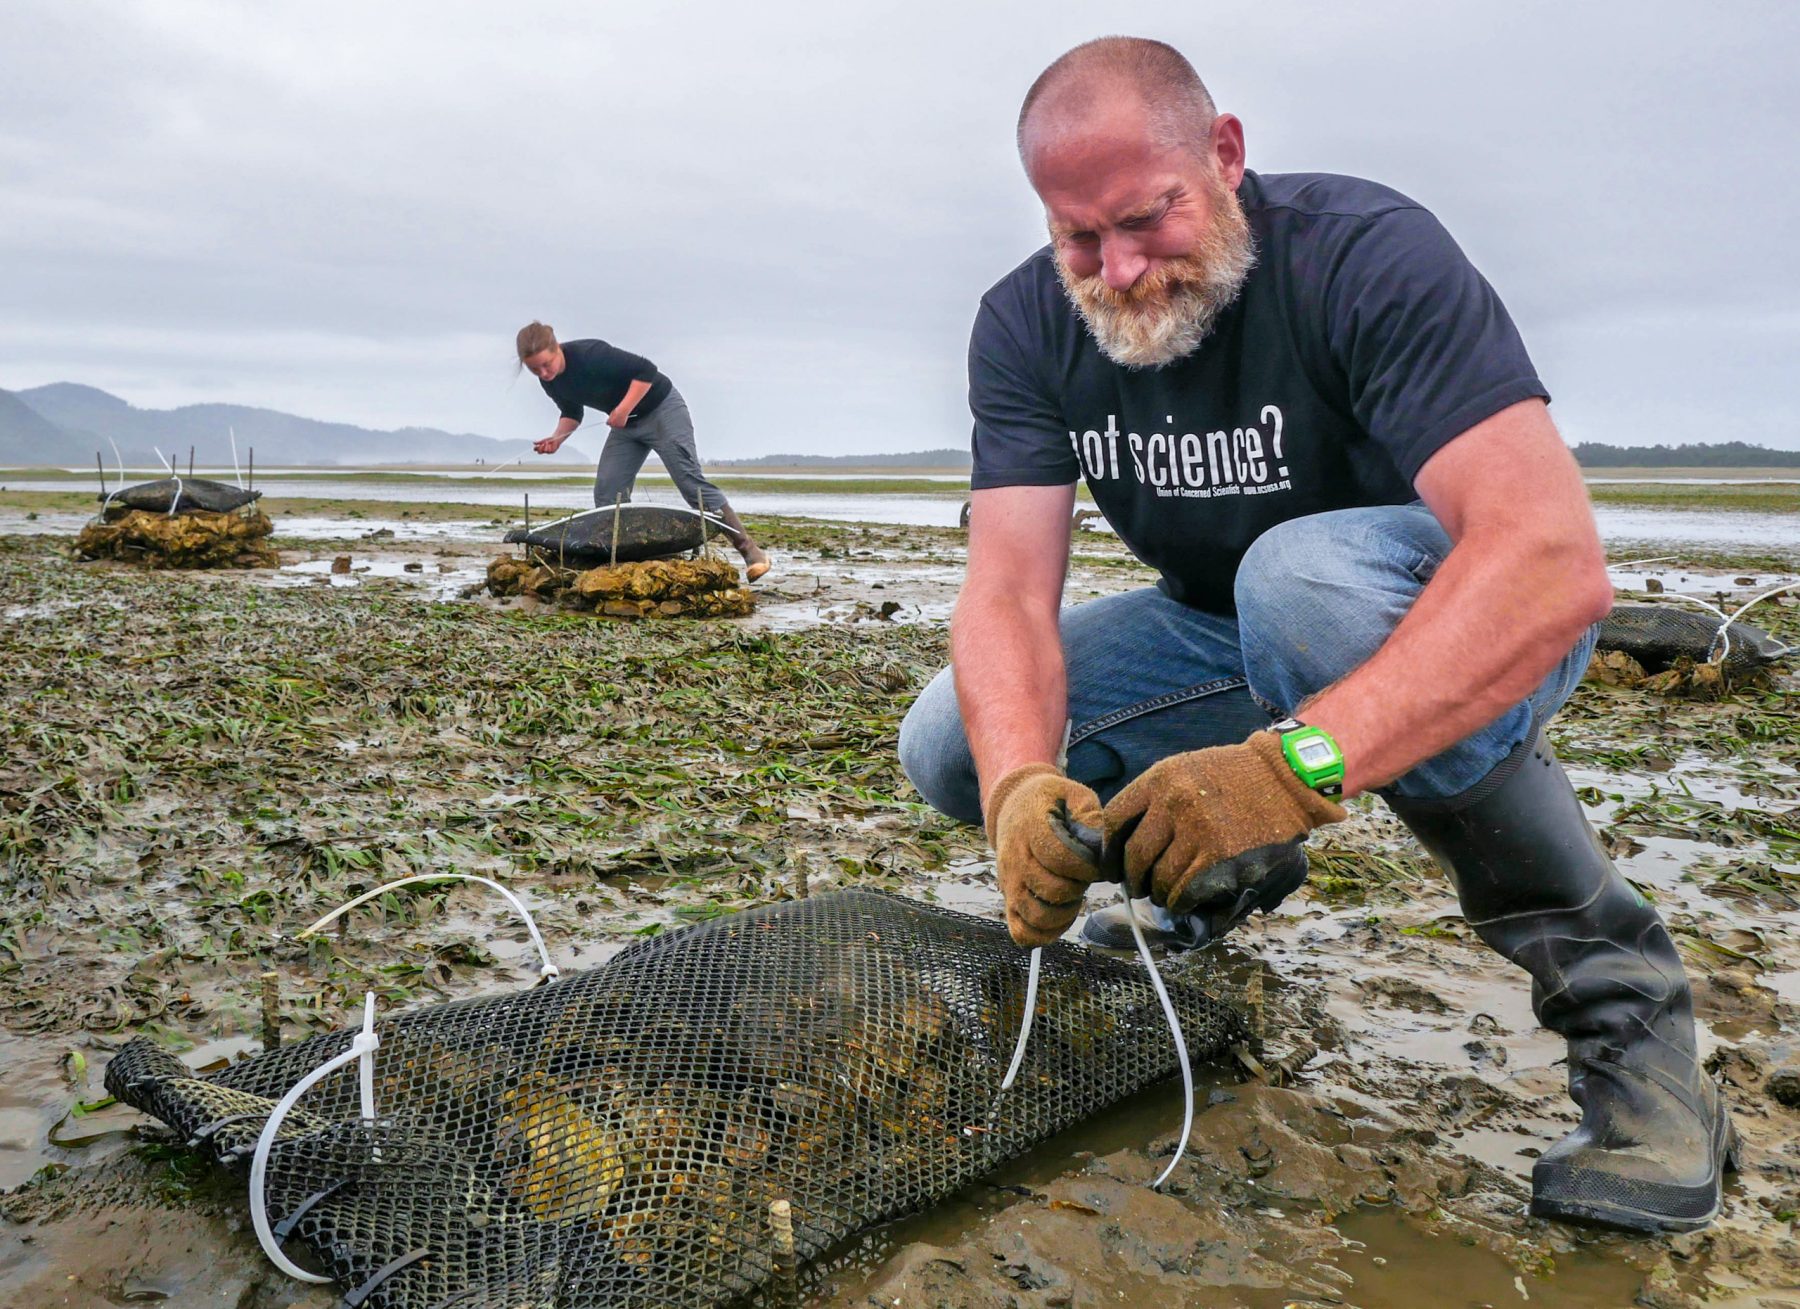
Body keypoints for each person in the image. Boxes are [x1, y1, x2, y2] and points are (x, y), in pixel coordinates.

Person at [898, 37, 1733, 1234]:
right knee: (952, 739)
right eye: (1080, 238)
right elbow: (1006, 595)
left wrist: (1294, 767)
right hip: (1222, 631)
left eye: (1146, 218)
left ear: (1225, 155)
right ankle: (1217, 868)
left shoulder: (1364, 253)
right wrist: (1022, 783)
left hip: (1456, 620)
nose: (1120, 269)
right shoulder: (1026, 324)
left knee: (1299, 580)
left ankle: (1630, 1015)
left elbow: (1549, 560)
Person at [517, 322, 771, 580]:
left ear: (557, 348)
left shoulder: (590, 354)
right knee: (607, 492)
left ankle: (751, 552)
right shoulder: (550, 383)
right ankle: (626, 560)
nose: (544, 373)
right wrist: (557, 439)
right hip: (626, 426)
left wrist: (624, 408)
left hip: (663, 410)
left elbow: (646, 371)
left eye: (547, 364)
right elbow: (572, 412)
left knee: (689, 481)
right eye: (534, 369)